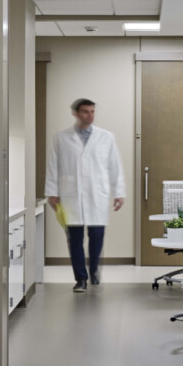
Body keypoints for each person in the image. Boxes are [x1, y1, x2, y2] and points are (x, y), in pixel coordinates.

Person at [44, 98, 125, 293]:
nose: (90, 115)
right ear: (75, 113)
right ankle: (81, 278)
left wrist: (119, 192)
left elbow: (114, 165)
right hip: (71, 194)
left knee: (97, 236)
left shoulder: (106, 137)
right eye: (85, 111)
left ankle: (95, 270)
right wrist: (52, 192)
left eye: (92, 111)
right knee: (75, 239)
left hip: (97, 194)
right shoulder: (60, 138)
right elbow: (53, 166)